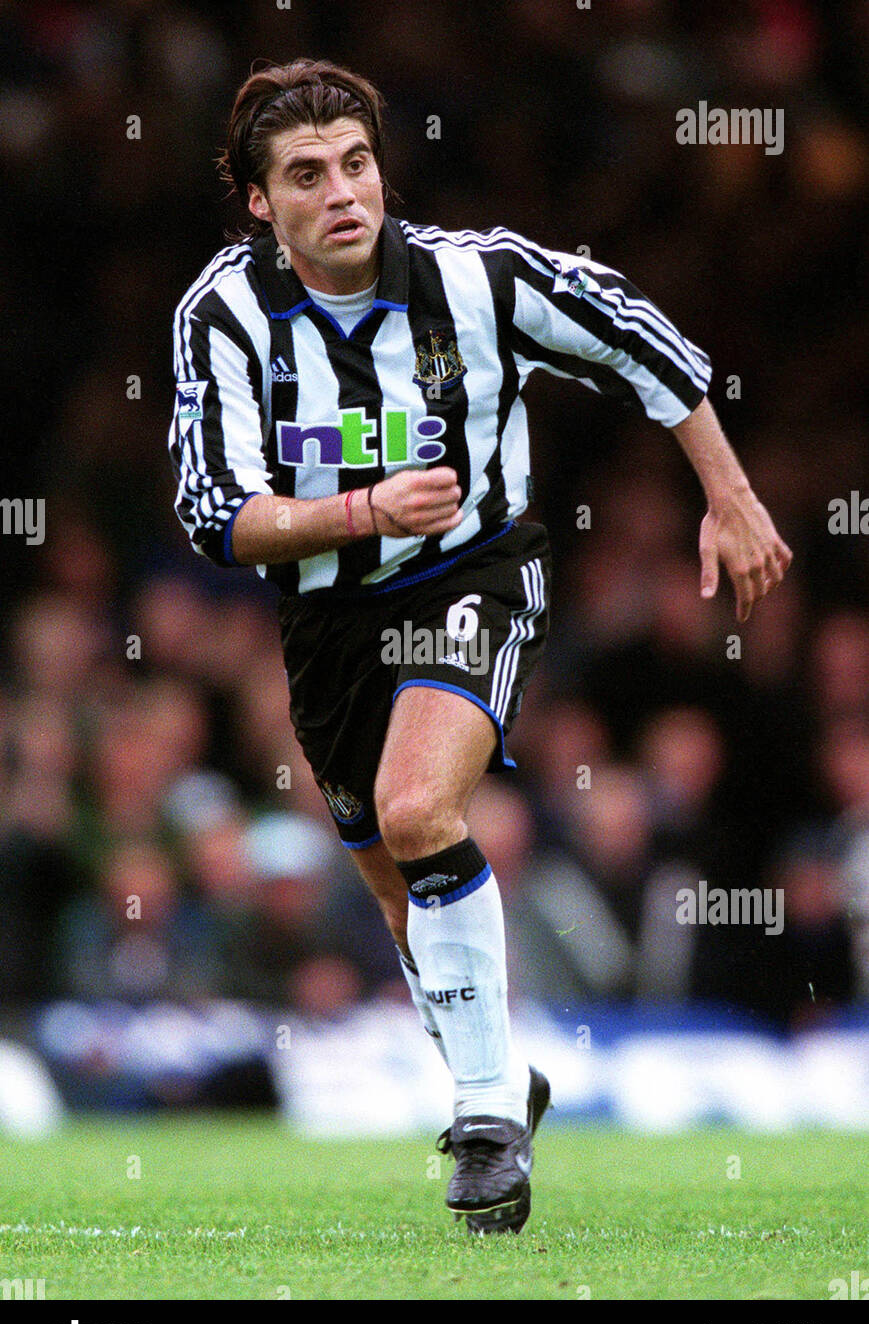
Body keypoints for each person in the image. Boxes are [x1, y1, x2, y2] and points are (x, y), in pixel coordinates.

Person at [168, 58, 792, 1233]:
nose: (343, 191)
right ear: (260, 203)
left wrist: (731, 495)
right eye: (306, 175)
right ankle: (504, 1078)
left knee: (416, 810)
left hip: (475, 574)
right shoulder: (223, 315)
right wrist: (360, 513)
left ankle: (483, 1121)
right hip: (324, 620)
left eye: (357, 163)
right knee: (400, 896)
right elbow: (217, 517)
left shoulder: (479, 277)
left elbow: (638, 337)